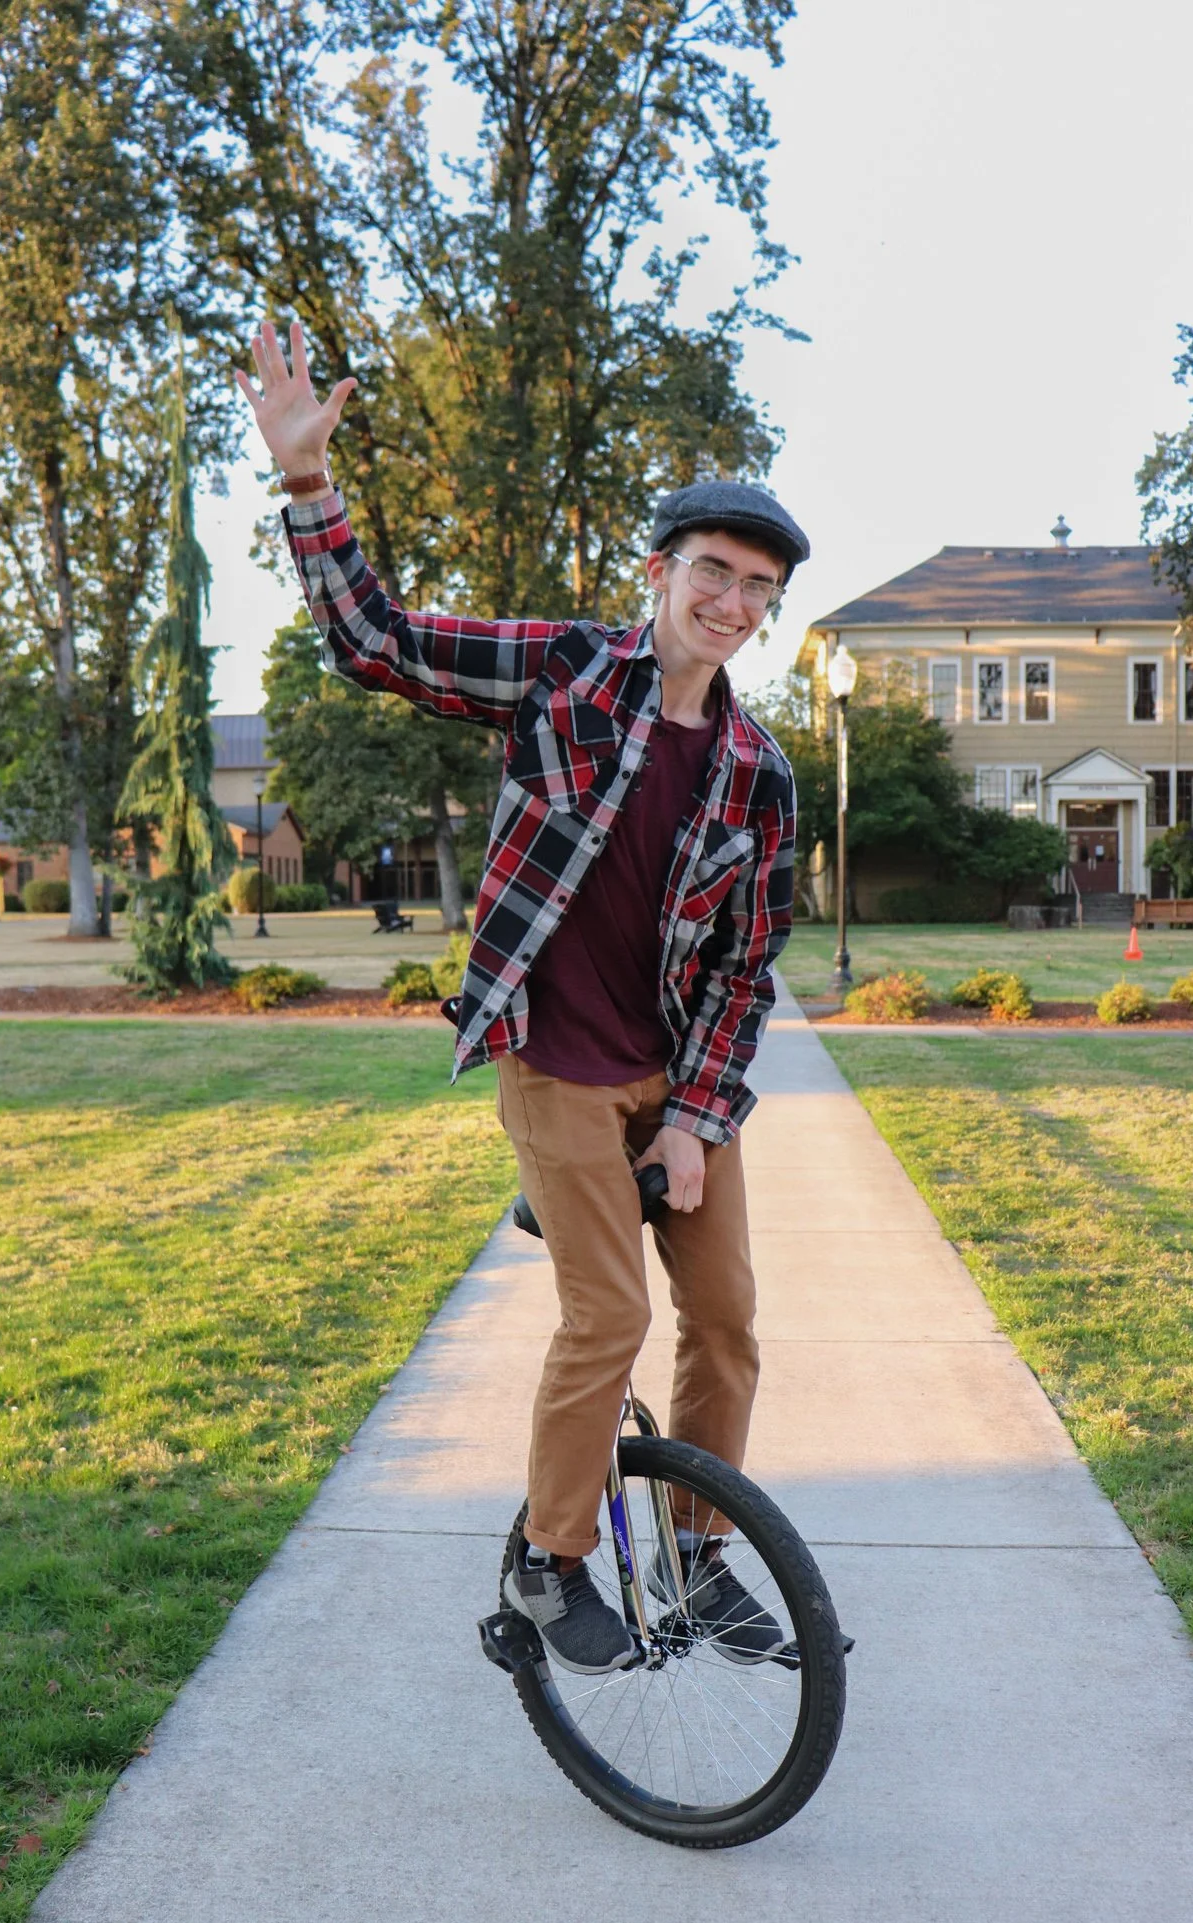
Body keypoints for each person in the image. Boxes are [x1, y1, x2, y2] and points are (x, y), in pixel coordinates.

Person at [239, 320, 806, 1677]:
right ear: (661, 573)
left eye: (758, 589)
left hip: (671, 1087)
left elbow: (744, 968)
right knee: (609, 1318)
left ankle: (690, 1551)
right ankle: (552, 1569)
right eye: (713, 573)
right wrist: (310, 487)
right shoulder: (563, 674)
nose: (731, 602)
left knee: (725, 1323)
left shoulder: (759, 772)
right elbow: (375, 640)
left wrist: (699, 1118)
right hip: (553, 1059)